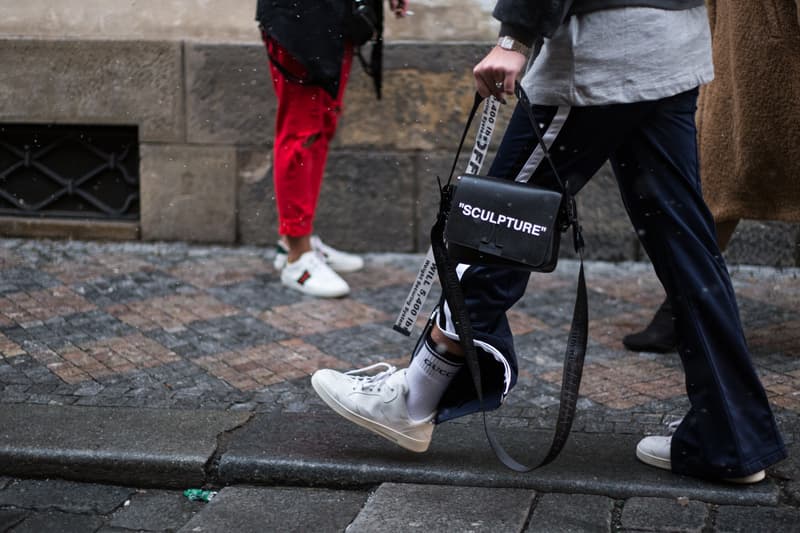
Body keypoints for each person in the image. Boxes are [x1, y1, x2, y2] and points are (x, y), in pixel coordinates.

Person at [311, 0, 787, 483]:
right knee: (687, 248)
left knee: (495, 227)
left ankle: (414, 399)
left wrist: (515, 36)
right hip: (672, 46)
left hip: (596, 52)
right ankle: (731, 435)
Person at [622, 0, 800, 353]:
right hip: (728, 68)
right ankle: (684, 307)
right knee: (709, 197)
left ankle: (682, 309)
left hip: (782, 67)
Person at [256, 0, 408, 298]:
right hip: (300, 16)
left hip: (336, 15)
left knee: (321, 123)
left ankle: (295, 242)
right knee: (302, 131)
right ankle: (298, 259)